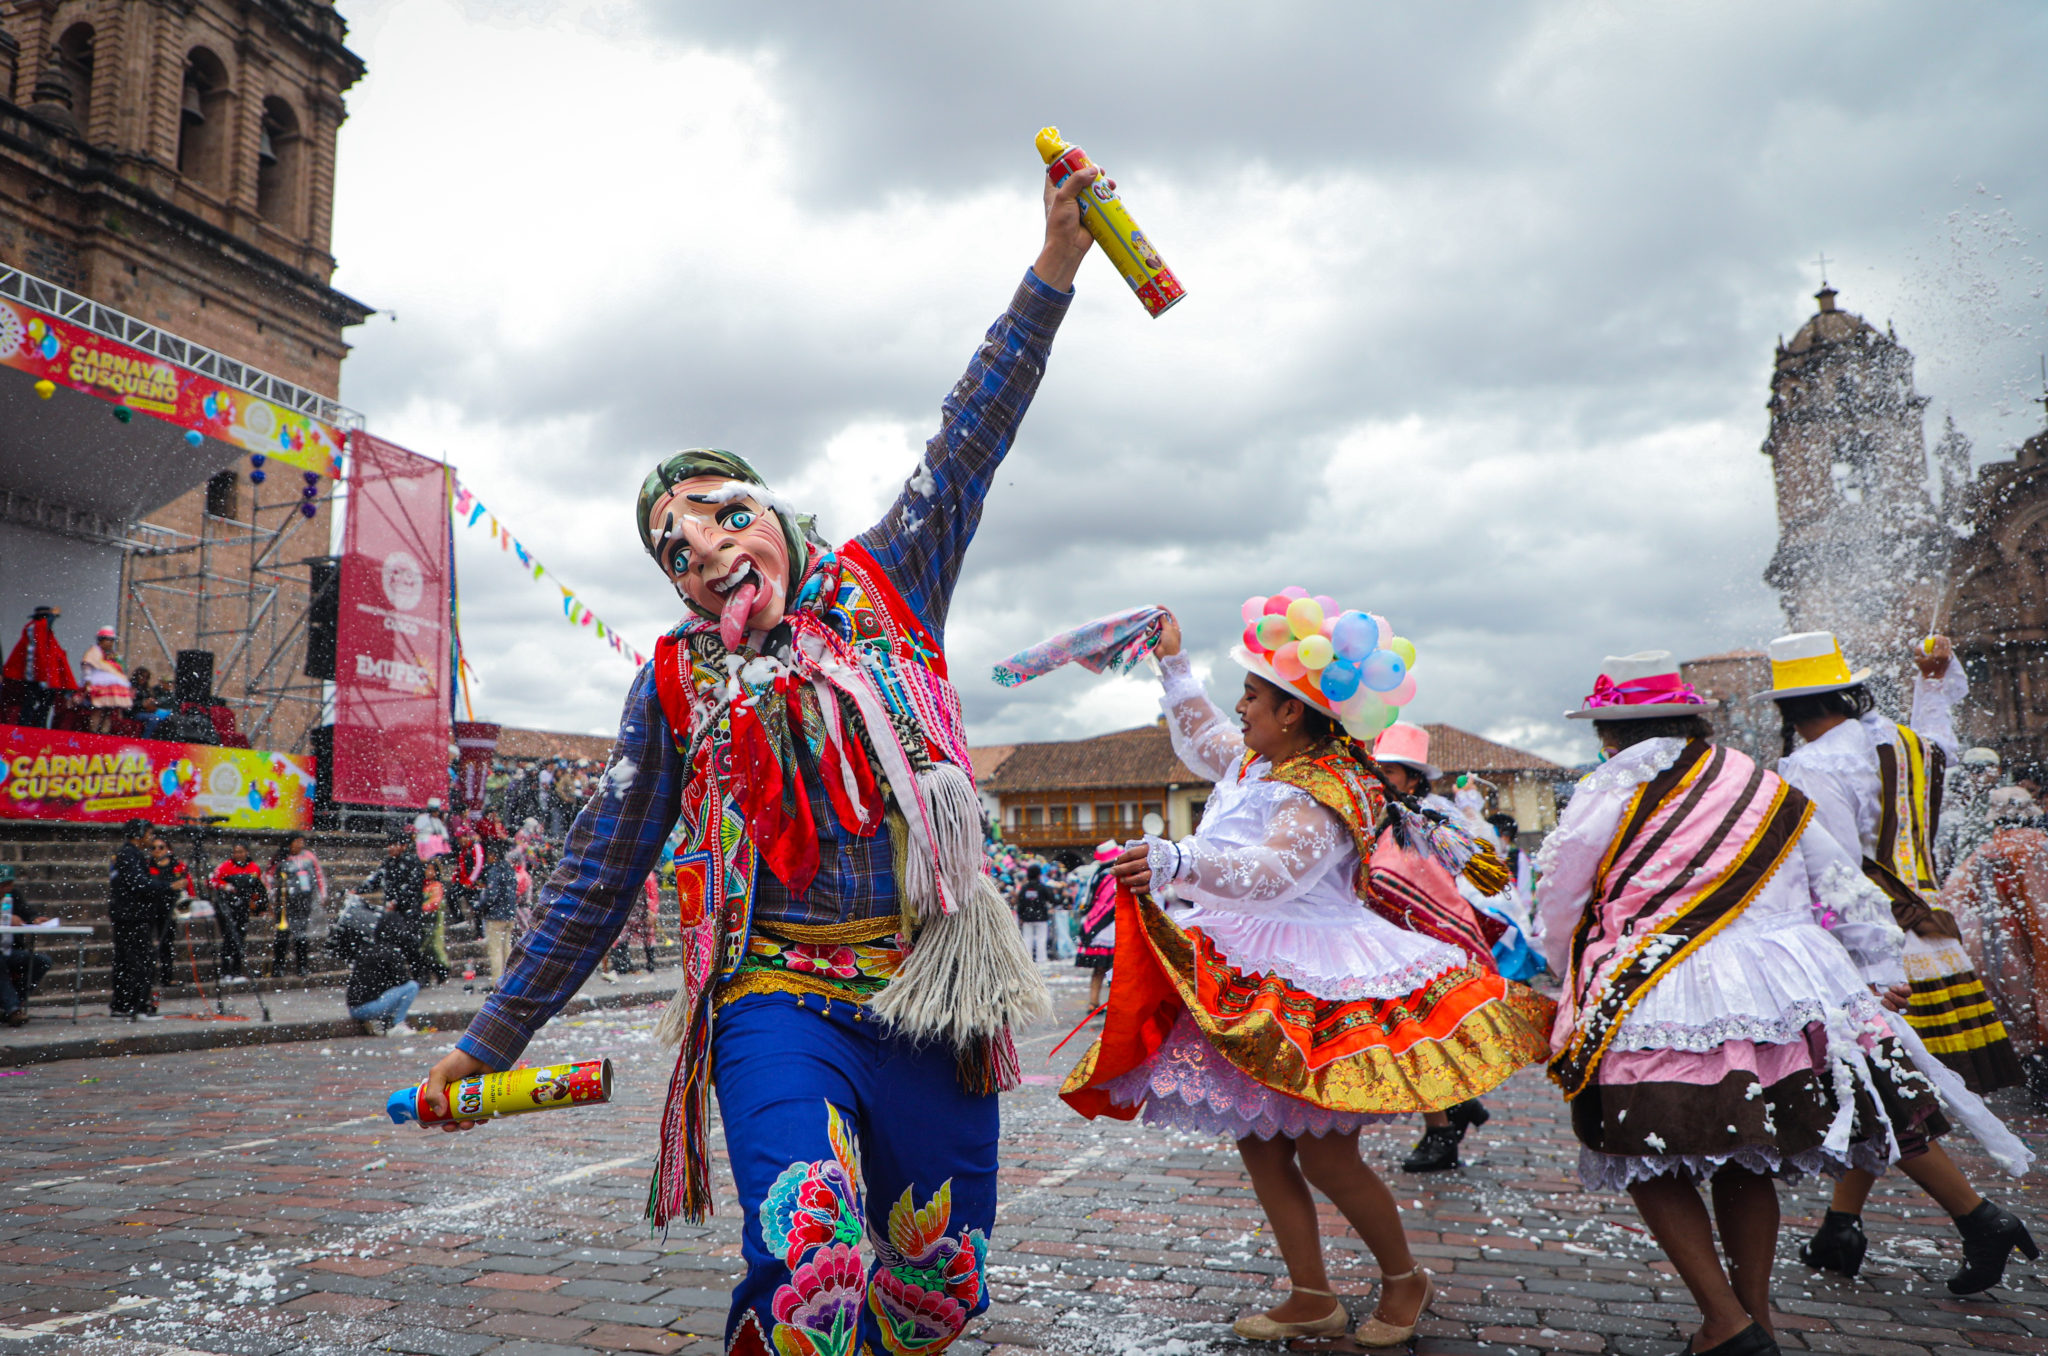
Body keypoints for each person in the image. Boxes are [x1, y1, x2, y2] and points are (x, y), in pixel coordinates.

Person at [412, 164, 1101, 1355]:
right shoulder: (677, 681)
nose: (707, 551)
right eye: (674, 551)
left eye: (726, 515)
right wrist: (488, 1040)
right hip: (777, 996)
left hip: (930, 995)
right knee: (810, 1256)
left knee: (934, 1289)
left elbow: (973, 429)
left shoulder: (891, 584)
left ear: (776, 518)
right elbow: (595, 875)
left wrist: (1052, 266)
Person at [1063, 604, 1554, 1346]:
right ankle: (1310, 1293)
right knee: (1261, 1139)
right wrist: (1171, 661)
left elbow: (1274, 873)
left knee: (1327, 1149)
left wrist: (1178, 860)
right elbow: (1203, 735)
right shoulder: (1261, 762)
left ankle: (1403, 1279)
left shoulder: (1325, 785)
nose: (1241, 709)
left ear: (1291, 711)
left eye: (1254, 698)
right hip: (1253, 961)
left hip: (1317, 973)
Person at [1538, 649, 2033, 1356]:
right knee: (1748, 1158)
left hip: (1659, 992)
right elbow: (1836, 873)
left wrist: (1563, 970)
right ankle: (1754, 1318)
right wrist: (1874, 962)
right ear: (1689, 719)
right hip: (1783, 990)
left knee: (1647, 1152)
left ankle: (1724, 1322)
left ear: (1611, 733)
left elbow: (1561, 892)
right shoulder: (1760, 781)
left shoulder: (1612, 786)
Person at [1763, 632, 2035, 1288]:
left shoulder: (1810, 767)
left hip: (1875, 947)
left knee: (1873, 1087)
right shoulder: (1909, 746)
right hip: (1933, 940)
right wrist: (1932, 682)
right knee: (1878, 1090)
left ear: (1792, 710)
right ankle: (1839, 1227)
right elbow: (1940, 736)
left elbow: (1836, 874)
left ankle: (1978, 1218)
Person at [1368, 722, 1508, 1173]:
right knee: (1418, 1036)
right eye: (1376, 770)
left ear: (1412, 777)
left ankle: (1440, 1132)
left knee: (1416, 1038)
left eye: (1389, 771)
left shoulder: (1424, 818)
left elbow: (1423, 876)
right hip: (1394, 940)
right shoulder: (1385, 815)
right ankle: (1458, 1105)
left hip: (1423, 943)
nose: (1380, 779)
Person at [1943, 786, 2048, 1112]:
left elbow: (1953, 898)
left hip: (2000, 946)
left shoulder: (1986, 853)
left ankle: (2036, 1078)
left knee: (2022, 1011)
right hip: (2039, 939)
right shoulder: (2042, 846)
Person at [107, 821, 162, 1019]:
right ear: (138, 834)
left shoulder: (132, 854)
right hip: (130, 916)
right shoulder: (128, 855)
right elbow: (137, 884)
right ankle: (132, 1003)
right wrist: (164, 886)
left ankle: (128, 1002)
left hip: (132, 915)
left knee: (131, 959)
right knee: (135, 960)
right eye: (149, 834)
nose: (151, 838)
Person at [347, 899, 422, 1036]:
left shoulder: (367, 949)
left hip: (354, 1008)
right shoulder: (391, 952)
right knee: (412, 986)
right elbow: (402, 981)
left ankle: (375, 1020)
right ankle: (397, 1024)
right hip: (370, 1007)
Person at [2, 605, 77, 728]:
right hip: (35, 677)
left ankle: (39, 726)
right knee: (30, 703)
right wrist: (41, 676)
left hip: (46, 677)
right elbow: (36, 655)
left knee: (44, 705)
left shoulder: (47, 635)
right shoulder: (35, 628)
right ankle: (25, 727)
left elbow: (53, 657)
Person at [1937, 747, 2005, 879]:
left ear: (1997, 771)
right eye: (1970, 769)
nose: (1975, 774)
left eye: (1981, 768)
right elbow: (1943, 856)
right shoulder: (1957, 809)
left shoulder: (2008, 799)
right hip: (1966, 875)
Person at [0, 867, 55, 1027]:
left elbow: (26, 912)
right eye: (3, 885)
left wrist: (35, 918)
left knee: (41, 962)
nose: (6, 889)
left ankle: (14, 1002)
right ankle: (13, 1008)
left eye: (9, 884)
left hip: (11, 950)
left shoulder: (13, 896)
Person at [207, 839, 267, 983]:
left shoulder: (254, 868)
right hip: (226, 907)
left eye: (240, 851)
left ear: (247, 852)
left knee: (240, 938)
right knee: (228, 938)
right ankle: (226, 971)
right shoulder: (225, 867)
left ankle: (237, 970)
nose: (237, 854)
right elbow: (211, 881)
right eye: (235, 852)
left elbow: (258, 889)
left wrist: (260, 905)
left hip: (243, 907)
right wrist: (225, 886)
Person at [271, 833, 326, 978]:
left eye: (301, 842)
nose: (299, 845)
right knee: (282, 935)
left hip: (303, 902)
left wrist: (322, 894)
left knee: (301, 935)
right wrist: (270, 896)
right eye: (297, 842)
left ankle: (302, 966)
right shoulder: (280, 858)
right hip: (284, 902)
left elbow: (318, 875)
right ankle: (278, 967)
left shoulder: (309, 857)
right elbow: (269, 876)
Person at [1074, 840, 1119, 1010]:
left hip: (1097, 924)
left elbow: (1089, 901)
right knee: (1116, 969)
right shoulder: (1112, 875)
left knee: (1099, 968)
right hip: (1112, 925)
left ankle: (1093, 1002)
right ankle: (1115, 1003)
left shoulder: (1096, 875)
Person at [475, 837, 519, 988]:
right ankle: (509, 980)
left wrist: (480, 906)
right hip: (509, 914)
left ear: (494, 855)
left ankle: (496, 982)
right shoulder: (509, 869)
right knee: (507, 948)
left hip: (496, 916)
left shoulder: (495, 871)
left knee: (495, 950)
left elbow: (491, 895)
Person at [78, 625, 132, 732]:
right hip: (98, 684)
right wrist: (88, 681)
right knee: (98, 709)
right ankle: (93, 733)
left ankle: (104, 733)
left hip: (111, 687)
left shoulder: (112, 655)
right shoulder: (94, 652)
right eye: (109, 640)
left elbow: (119, 668)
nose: (111, 643)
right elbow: (87, 666)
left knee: (108, 712)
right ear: (101, 640)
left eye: (112, 641)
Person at [1012, 863, 1055, 965]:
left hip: (1027, 918)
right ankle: (1041, 960)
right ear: (1039, 875)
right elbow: (1051, 899)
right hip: (1041, 917)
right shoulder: (1042, 887)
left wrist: (1021, 916)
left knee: (1027, 939)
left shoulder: (1024, 888)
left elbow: (1020, 903)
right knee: (1041, 939)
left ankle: (1027, 960)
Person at [419, 859, 451, 984]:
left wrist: (422, 908)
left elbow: (435, 903)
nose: (429, 872)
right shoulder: (424, 885)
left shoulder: (436, 886)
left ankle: (442, 970)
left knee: (435, 947)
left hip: (434, 920)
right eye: (427, 869)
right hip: (424, 920)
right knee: (425, 947)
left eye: (432, 869)